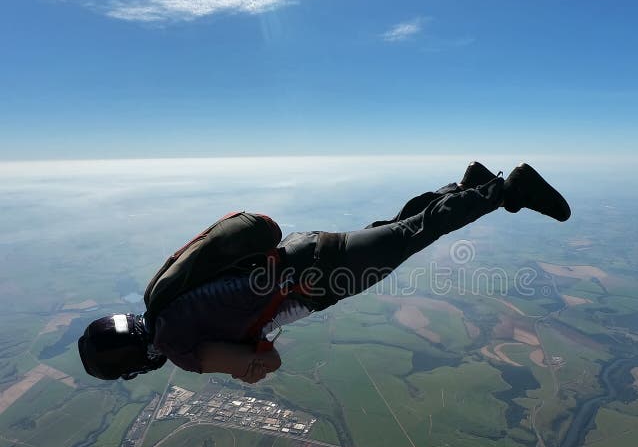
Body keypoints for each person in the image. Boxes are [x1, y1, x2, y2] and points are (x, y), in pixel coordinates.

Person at [78, 162, 570, 384]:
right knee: (395, 230)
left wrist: (249, 369)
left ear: (133, 362)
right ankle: (467, 185)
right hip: (301, 251)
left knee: (413, 234)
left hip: (318, 278)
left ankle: (508, 189)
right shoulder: (160, 300)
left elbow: (268, 362)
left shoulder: (181, 349)